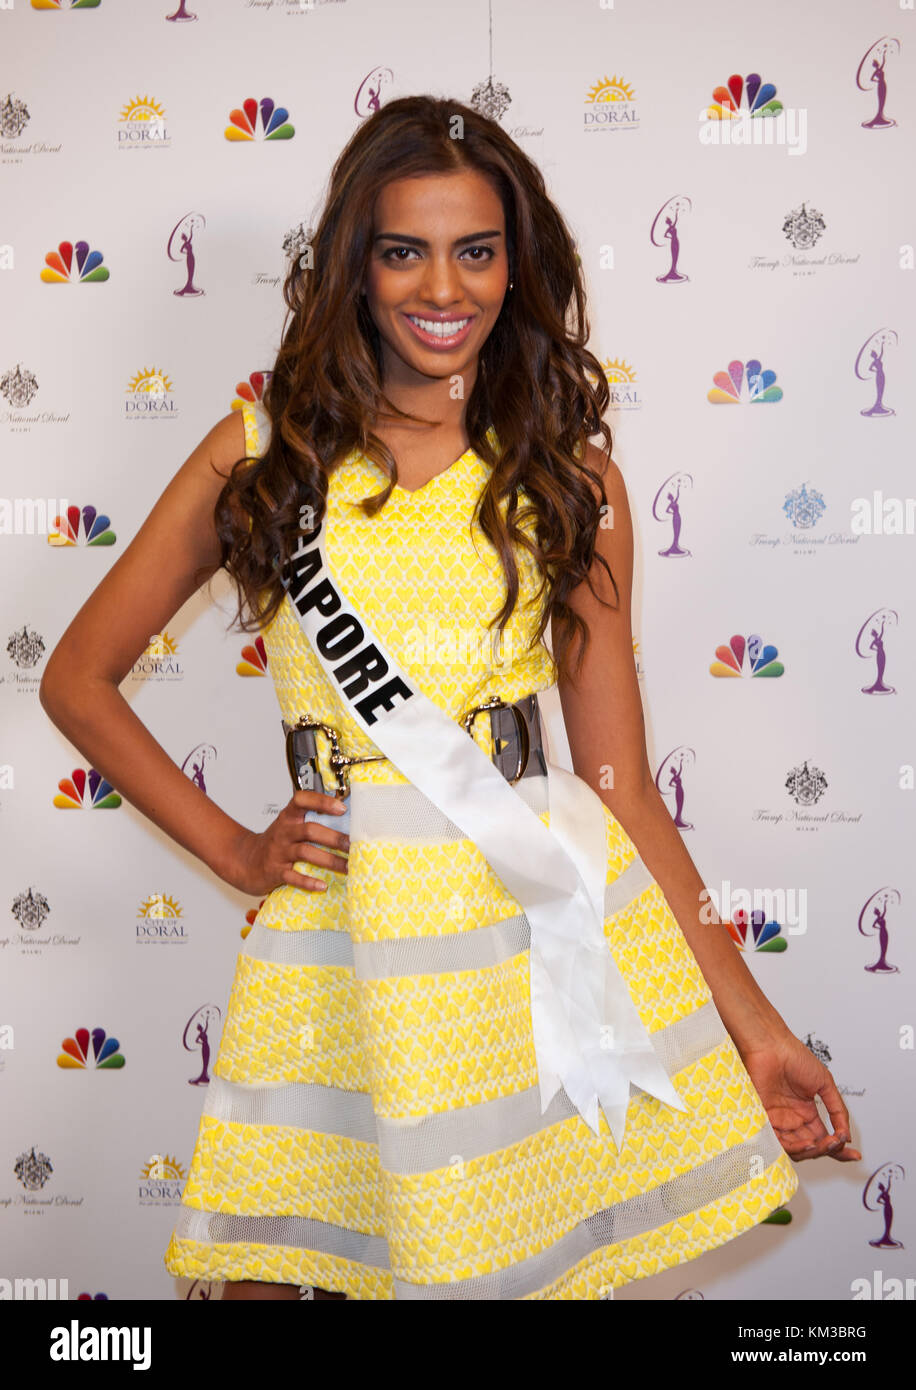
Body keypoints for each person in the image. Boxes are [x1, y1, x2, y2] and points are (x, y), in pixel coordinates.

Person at [39, 95, 861, 1303]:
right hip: (338, 938)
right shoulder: (259, 454)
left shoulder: (568, 475)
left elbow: (619, 785)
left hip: (520, 938)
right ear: (354, 269)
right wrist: (231, 844)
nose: (444, 285)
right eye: (403, 249)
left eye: (475, 250)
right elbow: (76, 677)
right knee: (273, 1271)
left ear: (515, 265)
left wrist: (755, 1026)